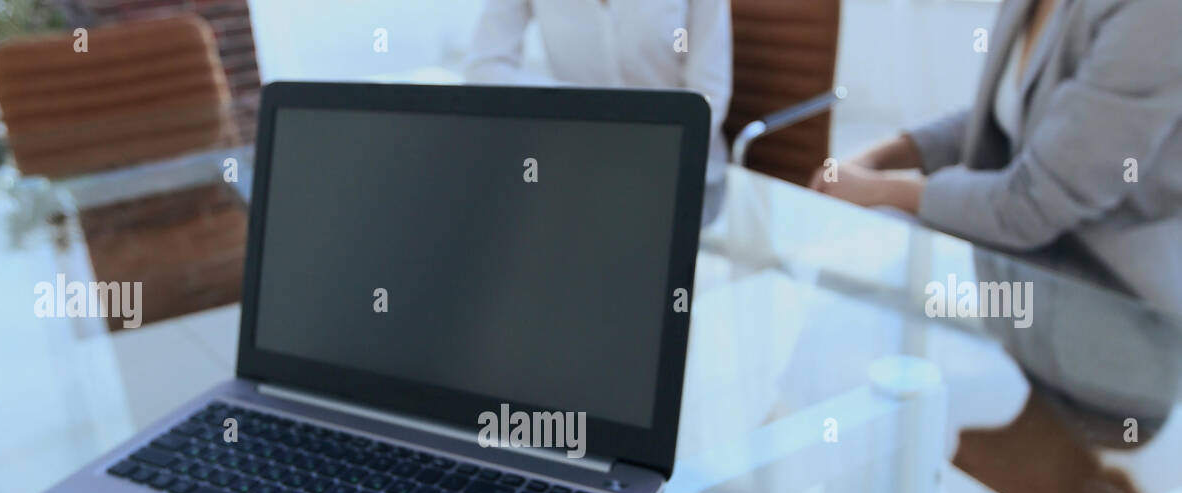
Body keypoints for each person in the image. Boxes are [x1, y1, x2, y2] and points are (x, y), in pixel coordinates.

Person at [808, 0, 1182, 314]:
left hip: (1109, 299)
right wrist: (877, 158)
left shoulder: (1151, 10)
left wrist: (883, 191)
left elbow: (1033, 203)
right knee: (846, 265)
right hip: (1021, 266)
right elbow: (1016, 111)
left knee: (856, 286)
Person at [465, 0, 733, 224]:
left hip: (677, 174)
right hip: (576, 169)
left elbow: (708, 93)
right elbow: (485, 67)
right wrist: (579, 107)